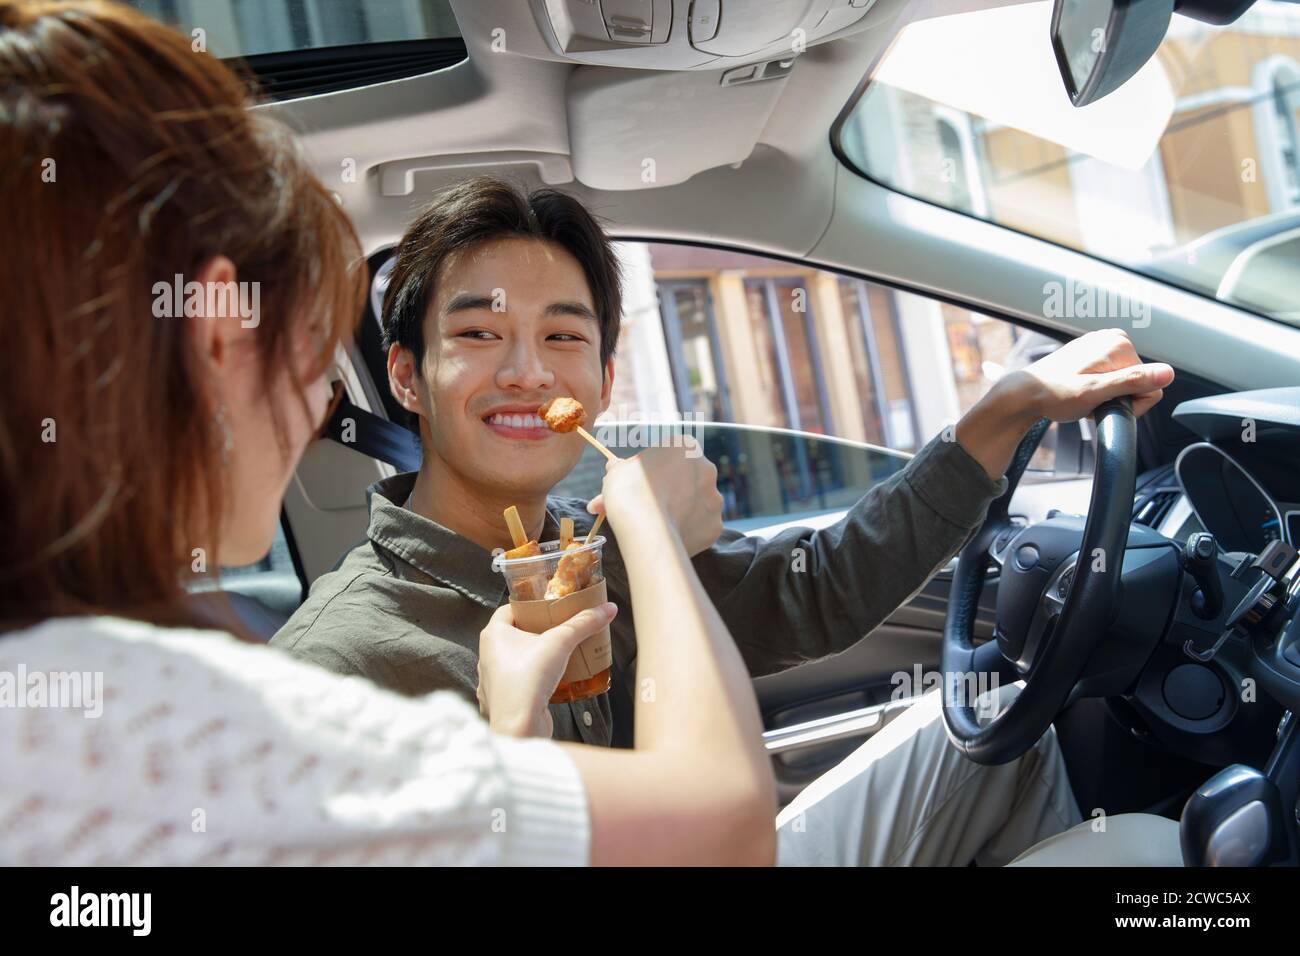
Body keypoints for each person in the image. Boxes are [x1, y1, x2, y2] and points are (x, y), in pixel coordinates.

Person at [0, 0, 775, 866]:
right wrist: (653, 527)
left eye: (564, 335)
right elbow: (728, 826)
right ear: (217, 333)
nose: (316, 411)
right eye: (312, 357)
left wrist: (509, 736)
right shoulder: (191, 726)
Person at [270, 177, 1182, 865]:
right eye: (477, 335)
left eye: (563, 336)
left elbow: (817, 591)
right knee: (1149, 853)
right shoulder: (335, 666)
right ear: (402, 376)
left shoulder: (593, 538)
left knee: (988, 739)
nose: (526, 373)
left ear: (603, 379)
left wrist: (1002, 413)